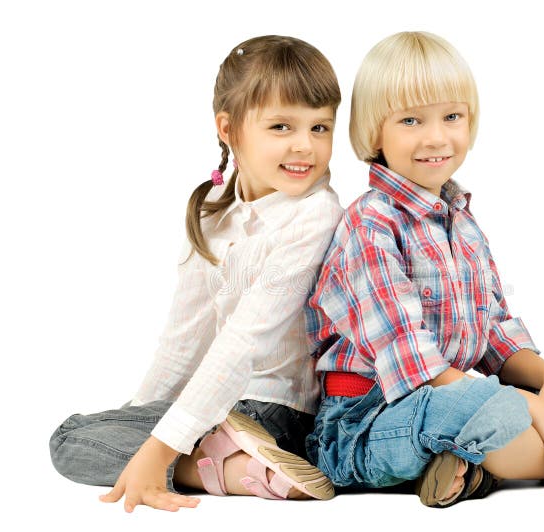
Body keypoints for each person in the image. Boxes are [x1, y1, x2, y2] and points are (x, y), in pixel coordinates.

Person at [304, 31, 544, 508]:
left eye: (451, 117)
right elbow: (415, 364)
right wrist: (533, 407)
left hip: (461, 397)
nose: (436, 137)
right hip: (372, 421)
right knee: (483, 411)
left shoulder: (461, 220)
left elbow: (492, 331)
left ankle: (484, 467)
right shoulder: (370, 226)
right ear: (375, 133)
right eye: (411, 120)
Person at [50, 35, 344, 512]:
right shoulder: (212, 213)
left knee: (73, 443)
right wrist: (142, 419)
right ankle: (238, 469)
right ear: (228, 129)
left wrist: (159, 447)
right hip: (224, 409)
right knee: (72, 438)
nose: (304, 146)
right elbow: (182, 342)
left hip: (280, 411)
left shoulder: (315, 213)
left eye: (320, 127)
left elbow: (244, 341)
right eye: (281, 126)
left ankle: (218, 465)